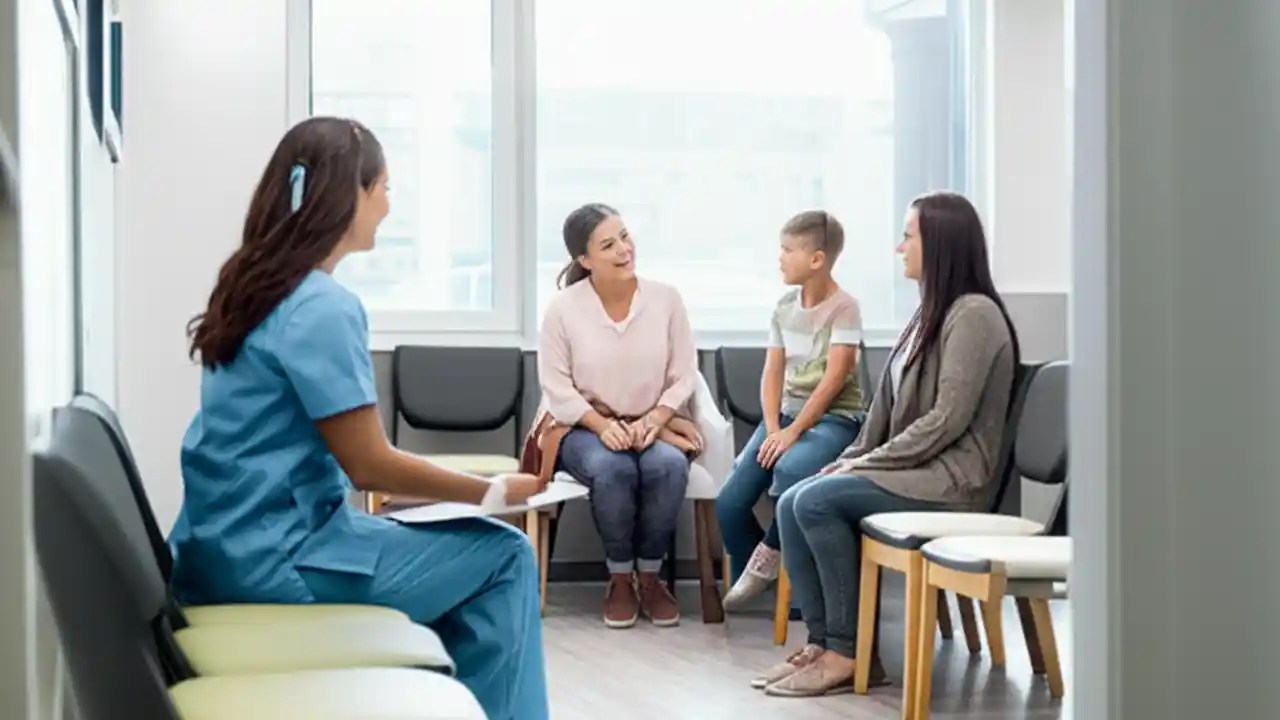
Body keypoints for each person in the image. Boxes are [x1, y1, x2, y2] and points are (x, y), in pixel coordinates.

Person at [168, 117, 549, 720]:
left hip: (222, 548)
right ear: (351, 193)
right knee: (505, 556)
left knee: (458, 551)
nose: (389, 208)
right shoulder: (322, 305)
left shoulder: (249, 288)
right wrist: (495, 491)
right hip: (280, 565)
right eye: (386, 189)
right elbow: (370, 466)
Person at [757, 191, 1020, 697]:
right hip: (916, 470)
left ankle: (849, 653)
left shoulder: (975, 316)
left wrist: (863, 466)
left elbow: (946, 421)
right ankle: (824, 644)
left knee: (814, 501)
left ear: (939, 244)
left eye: (908, 236)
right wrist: (849, 460)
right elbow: (883, 410)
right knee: (796, 496)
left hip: (953, 481)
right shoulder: (929, 314)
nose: (900, 248)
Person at [538, 203, 702, 630]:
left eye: (625, 237)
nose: (623, 249)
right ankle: (619, 578)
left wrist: (659, 416)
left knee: (667, 467)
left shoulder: (666, 299)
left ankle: (649, 577)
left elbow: (685, 373)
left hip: (654, 423)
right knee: (613, 468)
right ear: (584, 260)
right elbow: (557, 388)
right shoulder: (562, 309)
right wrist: (602, 426)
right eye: (608, 245)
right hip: (583, 427)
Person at [717, 210, 865, 610]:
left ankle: (792, 583)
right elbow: (772, 373)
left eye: (787, 250)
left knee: (791, 470)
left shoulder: (845, 308)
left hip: (835, 420)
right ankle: (765, 575)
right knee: (729, 502)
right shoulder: (783, 306)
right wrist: (772, 428)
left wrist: (793, 431)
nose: (779, 258)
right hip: (783, 420)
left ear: (816, 259)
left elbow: (835, 379)